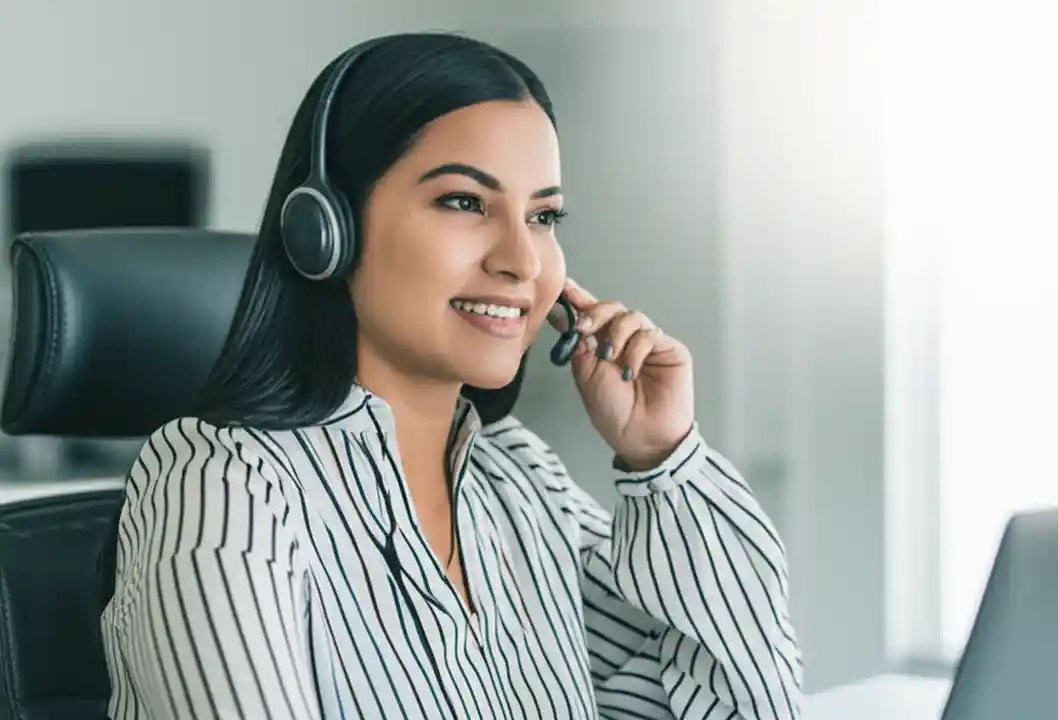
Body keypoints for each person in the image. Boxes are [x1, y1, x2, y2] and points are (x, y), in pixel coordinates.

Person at [100, 32, 802, 719]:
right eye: (466, 203)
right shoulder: (227, 481)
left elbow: (742, 700)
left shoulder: (520, 481)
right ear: (326, 228)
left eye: (544, 215)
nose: (524, 261)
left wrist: (662, 460)